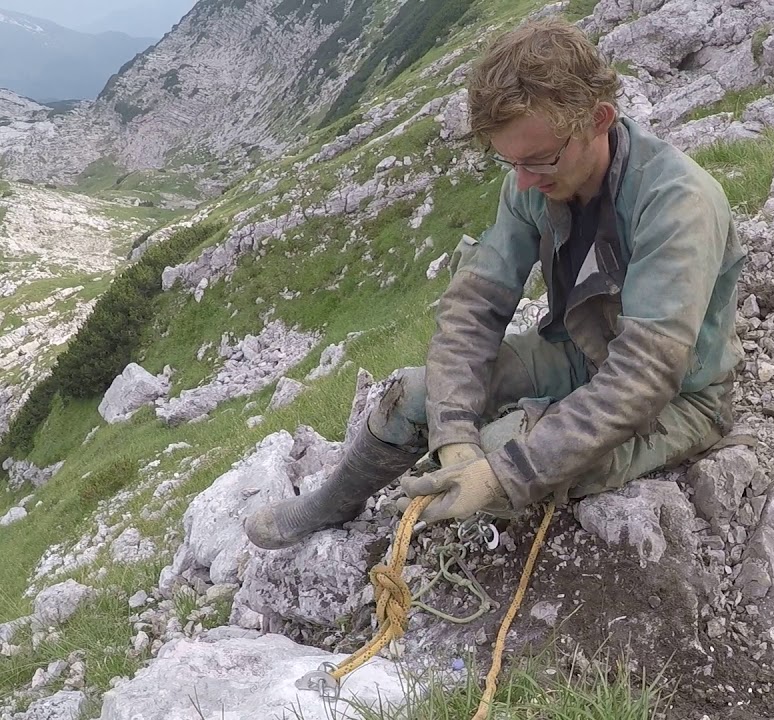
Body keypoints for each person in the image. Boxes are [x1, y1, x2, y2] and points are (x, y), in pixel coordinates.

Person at [244, 16, 746, 550]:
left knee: (506, 450)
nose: (525, 181)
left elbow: (644, 376)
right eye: (511, 162)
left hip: (682, 399)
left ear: (599, 119)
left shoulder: (677, 202)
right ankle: (332, 503)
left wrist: (500, 473)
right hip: (578, 353)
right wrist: (454, 435)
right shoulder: (533, 182)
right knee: (417, 394)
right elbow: (474, 308)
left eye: (539, 160)